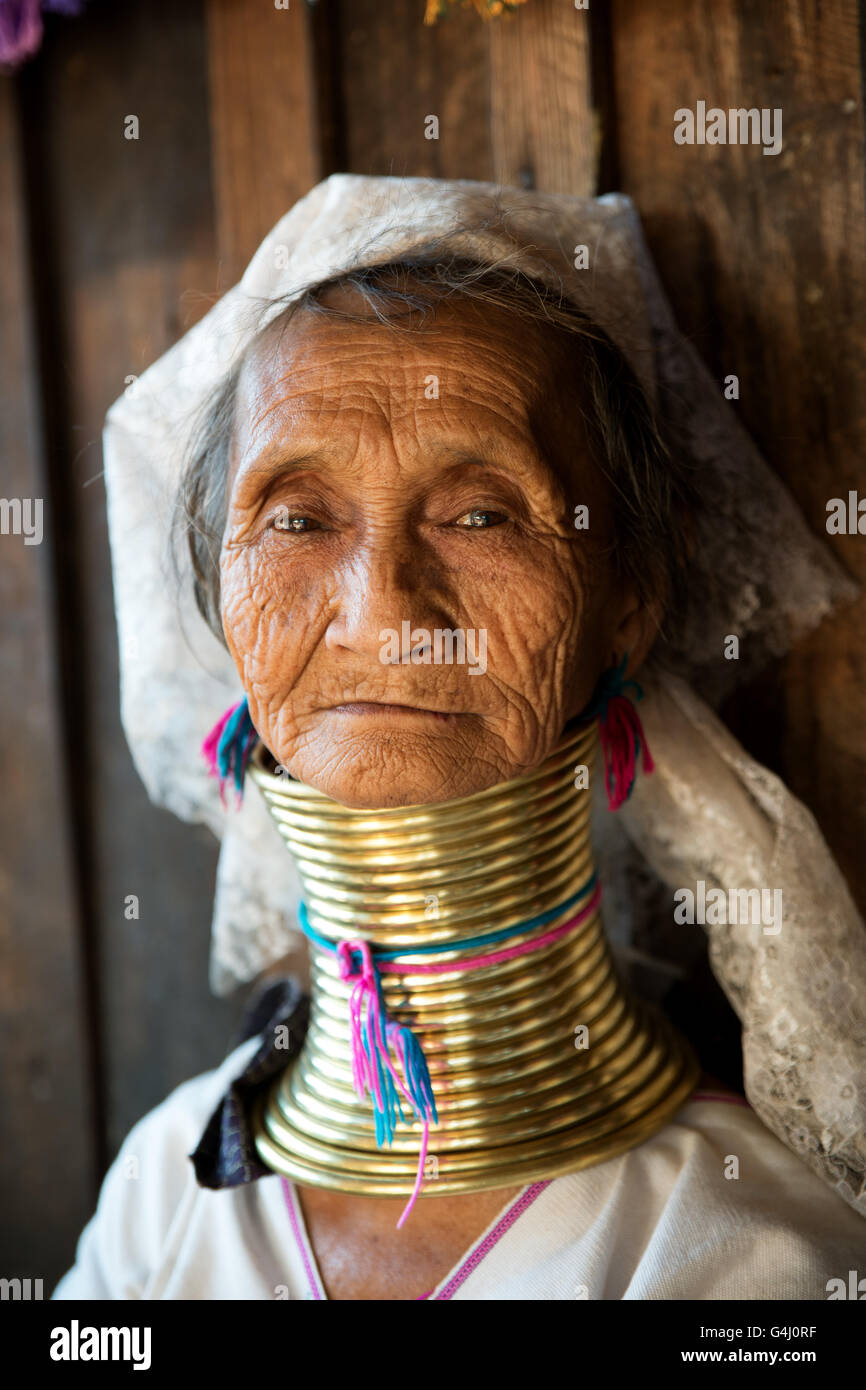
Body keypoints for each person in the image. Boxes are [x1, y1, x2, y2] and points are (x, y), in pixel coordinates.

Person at [53, 176, 866, 1300]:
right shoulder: (162, 1194)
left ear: (628, 589)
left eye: (479, 514)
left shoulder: (734, 1248)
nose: (382, 611)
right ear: (216, 593)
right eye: (295, 518)